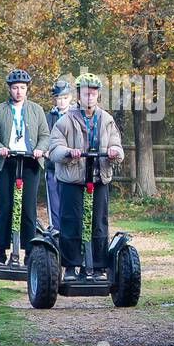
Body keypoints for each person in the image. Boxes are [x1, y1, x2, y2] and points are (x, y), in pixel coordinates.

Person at [47, 73, 124, 280]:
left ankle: (98, 267)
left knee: (99, 221)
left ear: (98, 95)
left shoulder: (106, 119)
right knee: (71, 221)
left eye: (93, 92)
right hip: (73, 177)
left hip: (99, 177)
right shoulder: (66, 120)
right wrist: (67, 152)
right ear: (78, 95)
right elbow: (54, 148)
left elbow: (117, 144)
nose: (89, 96)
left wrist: (114, 152)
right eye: (85, 92)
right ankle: (71, 266)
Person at [0, 68, 50, 264]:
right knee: (5, 206)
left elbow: (45, 135)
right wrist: (0, 147)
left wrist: (39, 149)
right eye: (15, 88)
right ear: (9, 89)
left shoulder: (36, 110)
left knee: (28, 209)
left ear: (27, 89)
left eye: (22, 87)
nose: (19, 91)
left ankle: (29, 252)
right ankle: (2, 252)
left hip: (30, 161)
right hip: (6, 162)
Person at [43, 79, 75, 230]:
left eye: (64, 98)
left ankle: (72, 234)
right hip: (52, 167)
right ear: (54, 99)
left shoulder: (77, 116)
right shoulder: (48, 118)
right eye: (58, 98)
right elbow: (43, 137)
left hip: (72, 167)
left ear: (70, 98)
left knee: (71, 203)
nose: (61, 101)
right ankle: (56, 233)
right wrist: (46, 150)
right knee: (54, 203)